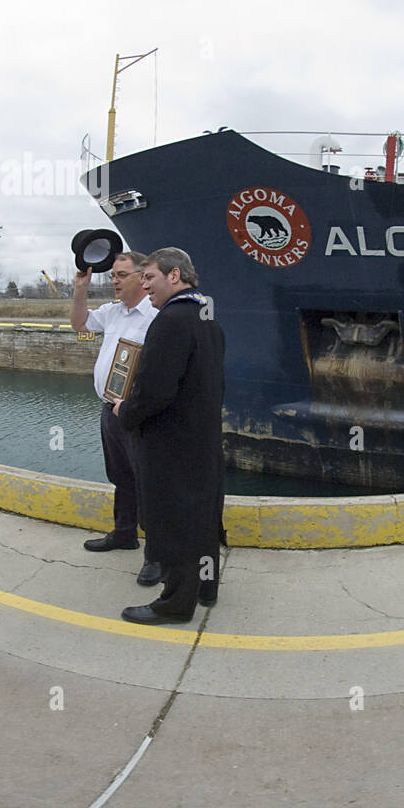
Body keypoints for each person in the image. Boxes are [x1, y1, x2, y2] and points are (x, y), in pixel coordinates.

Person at [112, 248, 226, 626]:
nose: (144, 287)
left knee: (173, 521)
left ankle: (175, 604)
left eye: (149, 278)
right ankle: (206, 587)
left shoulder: (171, 320)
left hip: (170, 443)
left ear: (174, 276)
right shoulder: (207, 317)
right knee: (203, 517)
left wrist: (125, 412)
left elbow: (155, 390)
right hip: (202, 440)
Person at [67, 251, 159, 581]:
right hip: (110, 410)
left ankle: (157, 555)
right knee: (121, 475)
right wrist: (81, 288)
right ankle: (124, 533)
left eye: (121, 275)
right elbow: (79, 325)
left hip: (138, 413)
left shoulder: (155, 314)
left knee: (148, 481)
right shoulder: (112, 312)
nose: (114, 280)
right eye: (113, 275)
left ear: (141, 277)